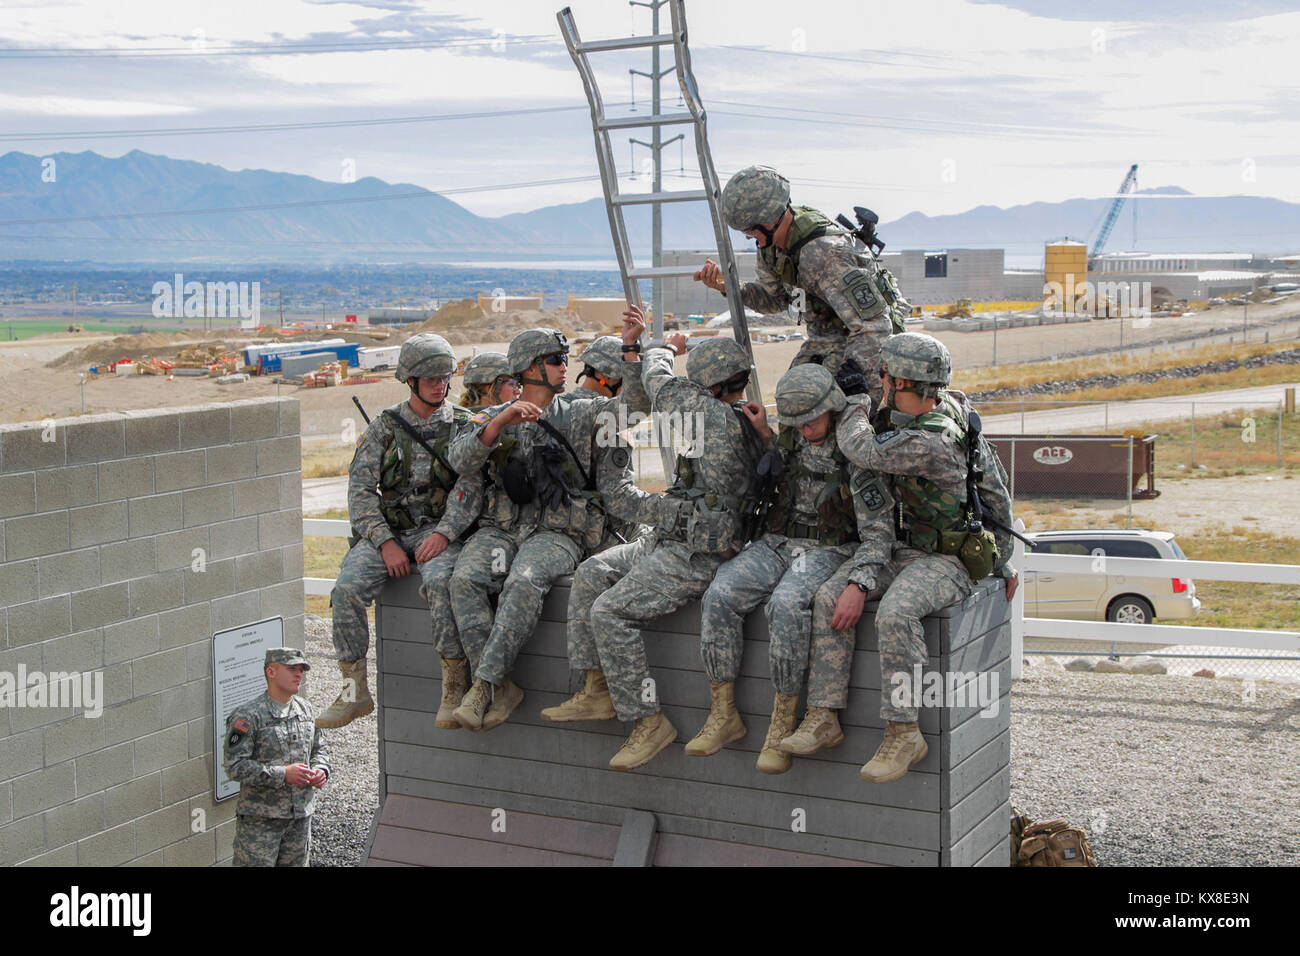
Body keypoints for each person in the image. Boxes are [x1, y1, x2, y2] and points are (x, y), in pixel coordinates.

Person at [545, 320, 772, 771]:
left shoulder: (714, 418)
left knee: (610, 612)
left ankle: (647, 721)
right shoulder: (740, 418)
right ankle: (597, 689)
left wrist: (663, 347)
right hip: (673, 538)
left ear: (710, 386)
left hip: (699, 554)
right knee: (592, 573)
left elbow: (659, 384)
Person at [809, 331, 1018, 783]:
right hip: (910, 548)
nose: (881, 382)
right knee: (829, 596)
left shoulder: (933, 440)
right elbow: (995, 485)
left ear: (901, 382)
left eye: (885, 376)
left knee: (897, 613)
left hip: (950, 558)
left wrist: (855, 402)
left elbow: (861, 448)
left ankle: (903, 732)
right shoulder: (950, 406)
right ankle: (823, 713)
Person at [446, 320, 653, 732]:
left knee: (523, 582)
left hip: (557, 533)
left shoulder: (580, 413)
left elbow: (633, 408)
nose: (564, 367)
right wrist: (498, 424)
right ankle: (503, 687)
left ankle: (484, 686)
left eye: (564, 359)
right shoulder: (491, 416)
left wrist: (631, 352)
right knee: (464, 579)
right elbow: (460, 460)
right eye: (555, 360)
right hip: (502, 529)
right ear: (529, 367)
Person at [694, 364, 895, 773]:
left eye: (811, 420)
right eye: (798, 422)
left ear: (832, 406)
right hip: (778, 542)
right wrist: (766, 434)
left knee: (786, 604)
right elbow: (783, 464)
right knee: (720, 594)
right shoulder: (792, 436)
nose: (805, 428)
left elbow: (879, 534)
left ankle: (782, 721)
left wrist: (859, 582)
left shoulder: (856, 449)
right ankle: (723, 712)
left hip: (828, 548)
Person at [319, 332, 483, 730]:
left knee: (442, 583)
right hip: (389, 532)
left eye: (444, 377)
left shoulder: (464, 426)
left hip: (439, 532)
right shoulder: (386, 427)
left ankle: (453, 687)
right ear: (410, 380)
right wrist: (386, 542)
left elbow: (471, 487)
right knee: (346, 589)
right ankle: (353, 693)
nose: (439, 385)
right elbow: (360, 491)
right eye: (430, 378)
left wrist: (445, 533)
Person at [693, 164, 908, 404]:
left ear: (770, 218)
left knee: (823, 411)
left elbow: (875, 326)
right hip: (825, 340)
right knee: (791, 400)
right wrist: (728, 286)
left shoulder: (823, 253)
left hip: (864, 345)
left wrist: (852, 381)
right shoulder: (772, 246)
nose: (747, 236)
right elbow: (774, 300)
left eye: (751, 229)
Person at [224, 647, 329, 867]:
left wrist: (321, 770)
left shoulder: (306, 710)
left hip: (299, 818)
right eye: (292, 669)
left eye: (301, 670)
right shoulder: (247, 716)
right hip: (261, 822)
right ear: (271, 672)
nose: (298, 674)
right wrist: (283, 774)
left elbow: (319, 749)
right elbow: (235, 766)